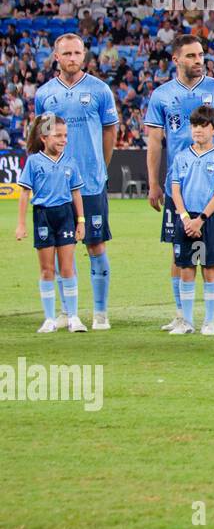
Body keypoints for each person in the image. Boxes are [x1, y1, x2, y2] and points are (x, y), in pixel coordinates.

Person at [146, 35, 214, 333]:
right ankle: (181, 314)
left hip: (212, 184)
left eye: (201, 55)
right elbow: (154, 141)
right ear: (176, 59)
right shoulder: (162, 95)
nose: (199, 60)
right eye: (191, 56)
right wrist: (153, 183)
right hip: (180, 186)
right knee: (179, 249)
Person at [34, 33, 118, 330]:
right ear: (56, 56)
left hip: (90, 183)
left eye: (77, 53)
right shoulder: (44, 94)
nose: (72, 58)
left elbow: (110, 132)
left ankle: (100, 312)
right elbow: (41, 138)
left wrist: (100, 167)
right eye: (66, 53)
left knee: (96, 245)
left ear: (84, 56)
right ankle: (67, 312)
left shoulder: (99, 90)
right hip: (55, 186)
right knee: (60, 249)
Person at [15, 114, 85, 334]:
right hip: (43, 216)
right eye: (58, 135)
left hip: (65, 216)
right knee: (46, 270)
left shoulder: (70, 162)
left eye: (65, 135)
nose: (63, 140)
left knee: (67, 268)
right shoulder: (35, 162)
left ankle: (73, 316)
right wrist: (21, 224)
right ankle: (49, 319)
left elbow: (76, 193)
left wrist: (80, 220)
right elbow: (25, 193)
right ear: (44, 137)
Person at [166, 106, 214, 336]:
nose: (197, 130)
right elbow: (175, 190)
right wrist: (186, 218)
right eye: (194, 125)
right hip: (186, 220)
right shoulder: (181, 157)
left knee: (209, 268)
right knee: (186, 268)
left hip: (209, 220)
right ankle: (186, 321)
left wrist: (201, 219)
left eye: (203, 126)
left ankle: (209, 321)